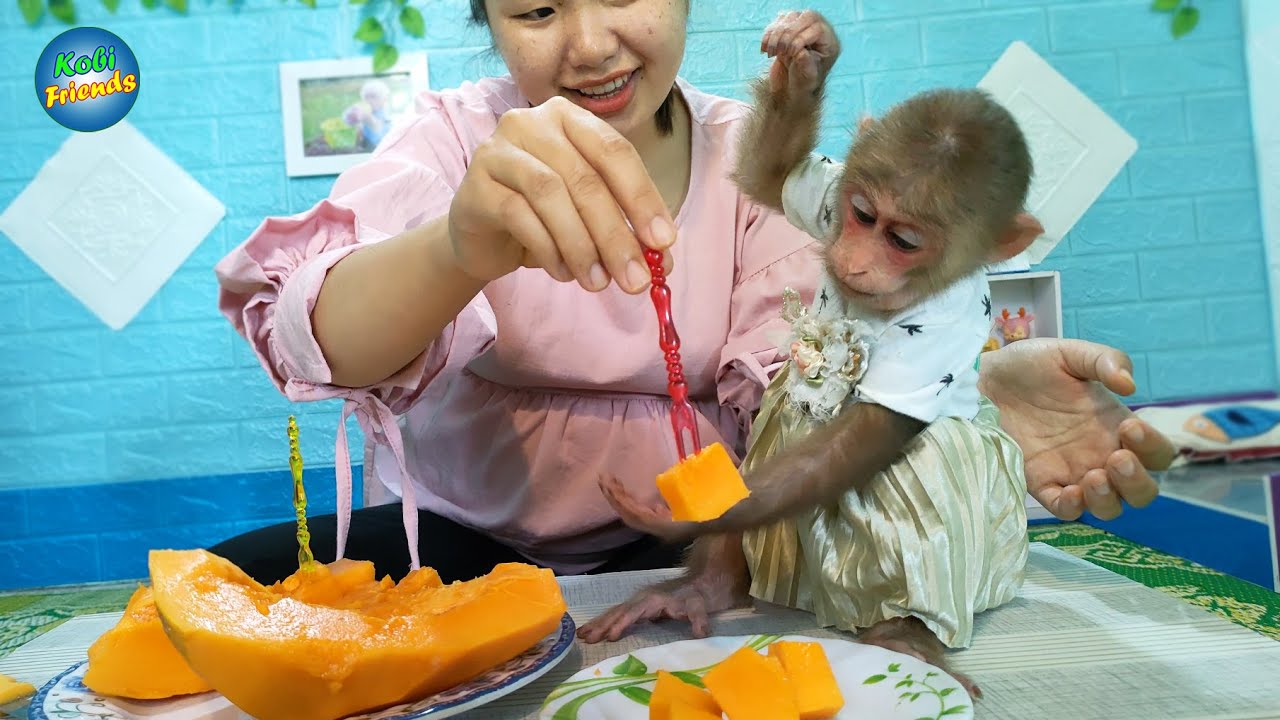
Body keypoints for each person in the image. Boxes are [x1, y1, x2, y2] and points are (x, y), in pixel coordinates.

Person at [210, 0, 1175, 637]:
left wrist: (958, 400)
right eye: (538, 9)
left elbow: (798, 395)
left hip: (700, 539)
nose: (589, 46)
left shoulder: (754, 163)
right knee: (216, 589)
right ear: (489, 19)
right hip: (466, 542)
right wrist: (458, 247)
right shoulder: (451, 140)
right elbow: (309, 334)